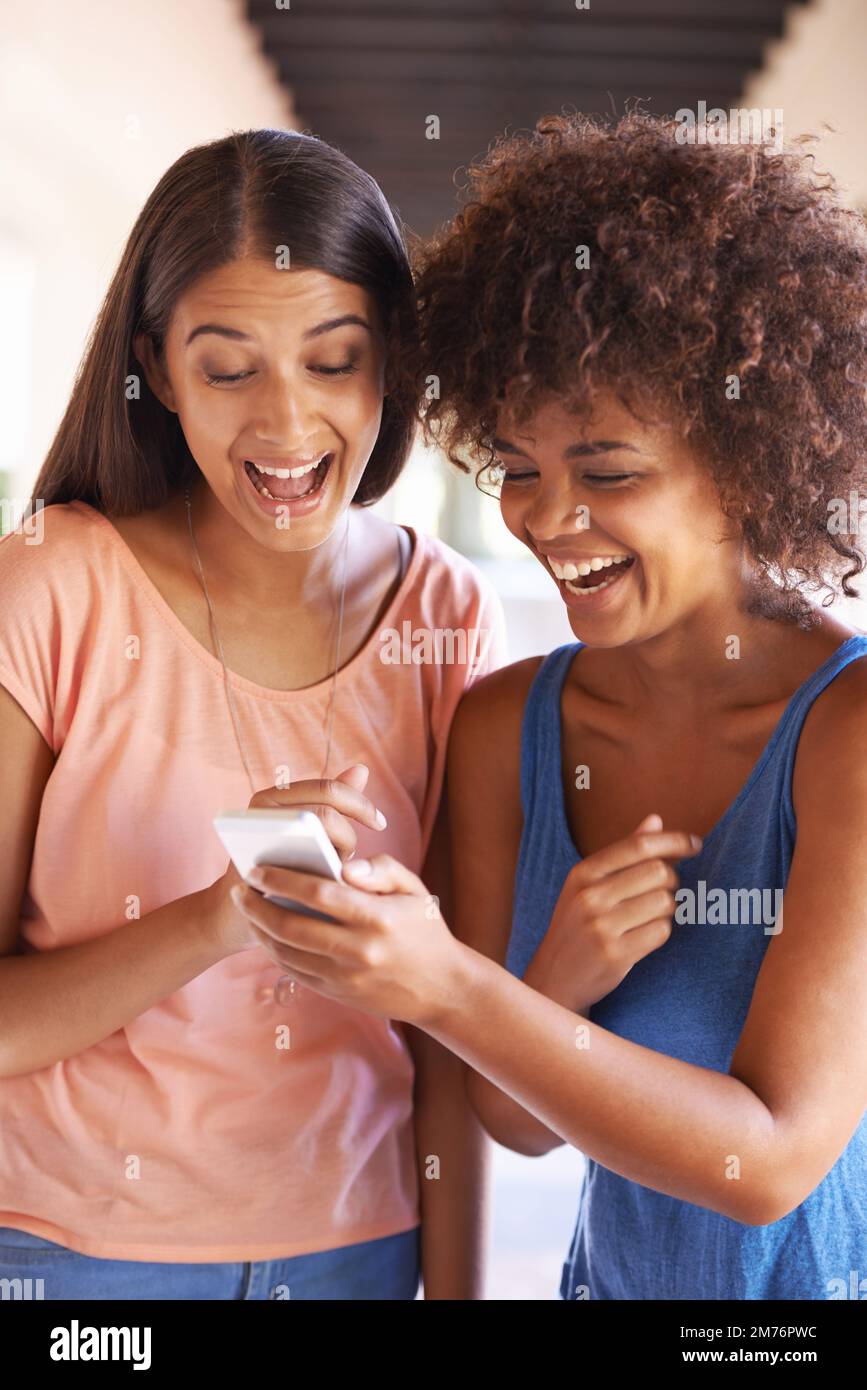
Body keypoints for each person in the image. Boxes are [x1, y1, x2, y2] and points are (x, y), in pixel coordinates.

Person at [229, 112, 867, 1300]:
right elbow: (519, 1126)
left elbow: (769, 1158)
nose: (548, 518)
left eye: (608, 471)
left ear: (746, 453)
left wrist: (455, 986)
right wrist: (550, 980)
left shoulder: (848, 729)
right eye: (518, 467)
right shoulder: (506, 726)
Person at [0, 128, 506, 1300]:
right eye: (229, 369)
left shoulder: (446, 613)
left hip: (358, 1252)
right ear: (159, 368)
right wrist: (221, 919)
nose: (284, 425)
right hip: (78, 1258)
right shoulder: (51, 586)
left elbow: (447, 1024)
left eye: (334, 360)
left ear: (395, 364)